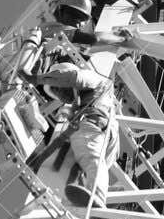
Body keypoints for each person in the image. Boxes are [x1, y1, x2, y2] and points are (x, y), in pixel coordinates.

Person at [30, 45, 119, 209]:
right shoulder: (82, 101)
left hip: (94, 127)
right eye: (55, 93)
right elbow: (64, 137)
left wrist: (36, 79)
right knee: (85, 161)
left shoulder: (92, 79)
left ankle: (97, 197)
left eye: (58, 89)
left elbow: (72, 76)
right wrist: (40, 159)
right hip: (106, 136)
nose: (60, 95)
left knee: (89, 158)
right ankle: (88, 192)